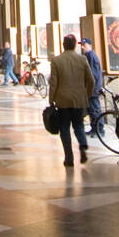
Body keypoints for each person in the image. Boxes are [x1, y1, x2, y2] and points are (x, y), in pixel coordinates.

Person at [48, 33, 95, 168]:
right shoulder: (82, 59)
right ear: (75, 45)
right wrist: (87, 95)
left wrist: (51, 99)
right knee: (79, 125)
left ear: (63, 45)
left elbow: (53, 83)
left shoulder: (57, 60)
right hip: (78, 99)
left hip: (63, 100)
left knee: (64, 128)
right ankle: (82, 145)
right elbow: (91, 80)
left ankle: (69, 157)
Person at [80, 36, 105, 135]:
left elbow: (93, 74)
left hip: (93, 88)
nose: (82, 47)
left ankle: (99, 129)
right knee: (92, 109)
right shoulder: (89, 55)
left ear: (89, 45)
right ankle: (94, 128)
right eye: (81, 45)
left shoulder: (91, 56)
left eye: (84, 45)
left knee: (95, 108)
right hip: (91, 88)